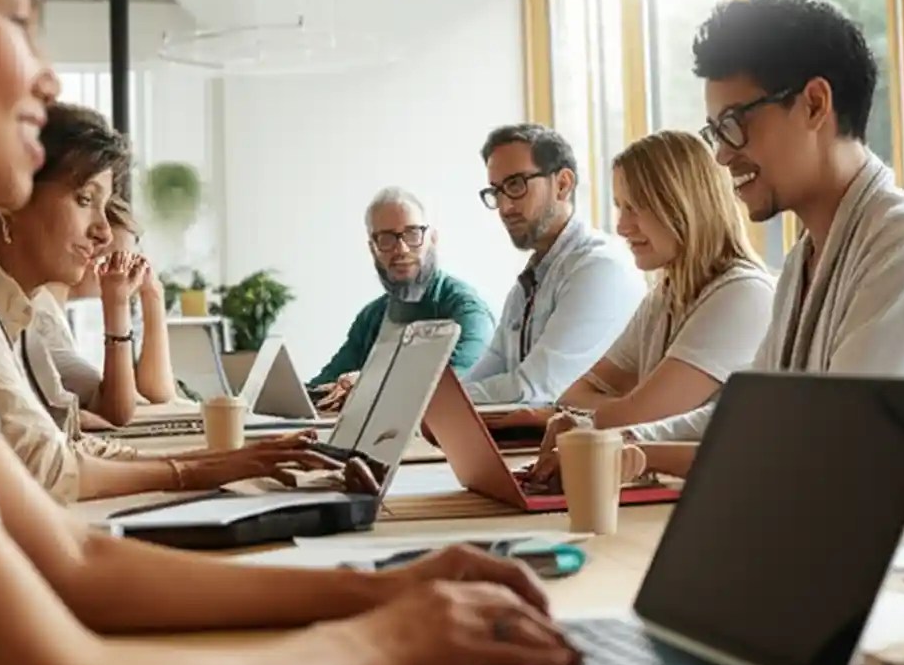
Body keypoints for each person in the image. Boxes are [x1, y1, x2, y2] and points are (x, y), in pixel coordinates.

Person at [0, 0, 578, 665]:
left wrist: (385, 588)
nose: (47, 77)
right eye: (16, 16)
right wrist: (387, 639)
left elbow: (78, 563)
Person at [538, 0, 904, 538]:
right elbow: (748, 420)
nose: (722, 155)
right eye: (715, 132)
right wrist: (621, 441)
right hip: (843, 544)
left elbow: (823, 449)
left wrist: (636, 454)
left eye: (734, 124)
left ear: (815, 104)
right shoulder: (802, 260)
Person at [0, 102, 358, 503]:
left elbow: (71, 444)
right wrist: (197, 471)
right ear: (8, 202)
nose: (103, 232)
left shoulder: (11, 309)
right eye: (85, 200)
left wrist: (232, 459)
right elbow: (48, 470)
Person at [514, 131, 772, 480]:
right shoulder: (664, 296)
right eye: (620, 207)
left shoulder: (743, 294)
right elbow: (573, 396)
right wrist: (616, 411)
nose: (622, 227)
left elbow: (640, 417)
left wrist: (607, 414)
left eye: (635, 208)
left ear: (683, 205)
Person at [463, 124, 645, 405]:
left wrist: (436, 404)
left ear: (562, 184)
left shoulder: (599, 269)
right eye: (496, 192)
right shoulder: (527, 284)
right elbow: (487, 371)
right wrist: (433, 402)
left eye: (516, 185)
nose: (505, 207)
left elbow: (537, 389)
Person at [308, 187, 495, 410]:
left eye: (412, 233)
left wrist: (366, 385)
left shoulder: (466, 310)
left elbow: (451, 386)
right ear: (373, 248)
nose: (402, 249)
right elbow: (325, 385)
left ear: (433, 239)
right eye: (386, 238)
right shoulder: (371, 317)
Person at [37, 193, 178, 426]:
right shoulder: (40, 317)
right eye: (116, 262)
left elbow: (158, 395)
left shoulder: (56, 311)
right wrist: (117, 303)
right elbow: (118, 408)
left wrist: (153, 295)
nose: (127, 274)